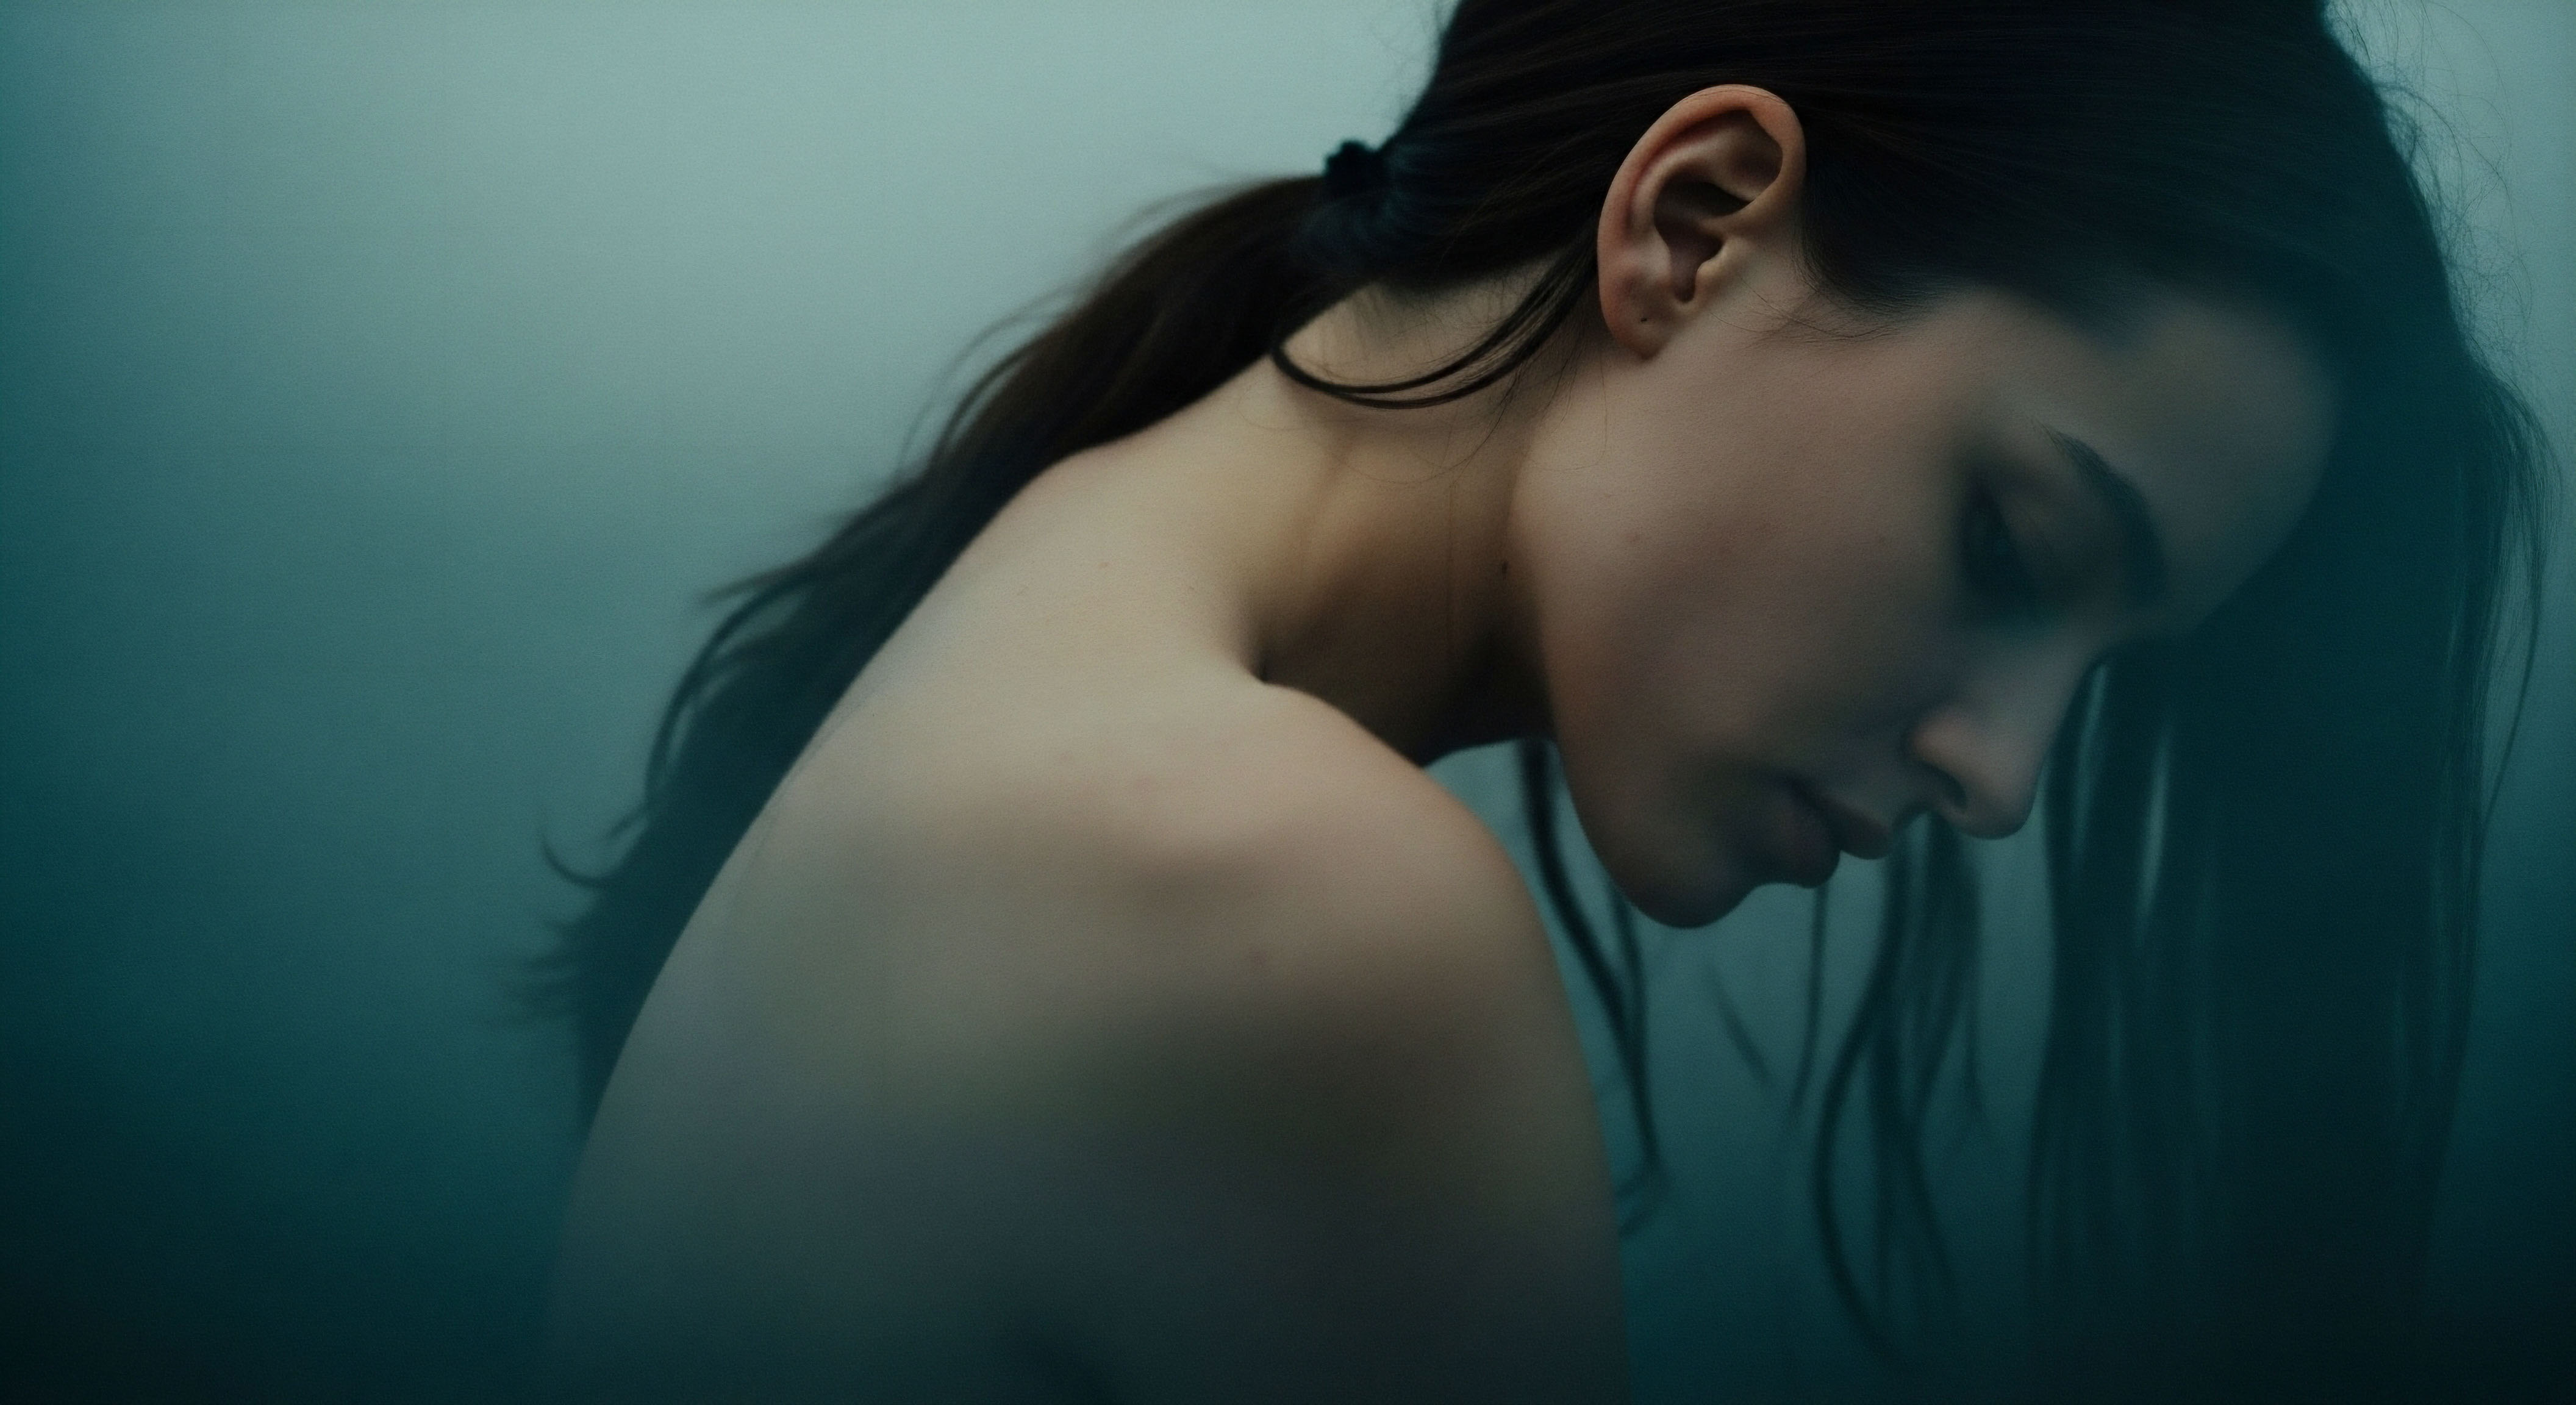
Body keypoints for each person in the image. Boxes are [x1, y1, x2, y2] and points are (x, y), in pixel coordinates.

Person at [540, 2, 2548, 1400]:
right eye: (2013, 552)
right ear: (1696, 226)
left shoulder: (1055, 601)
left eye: (2102, 680)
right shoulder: (1283, 891)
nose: (2001, 778)